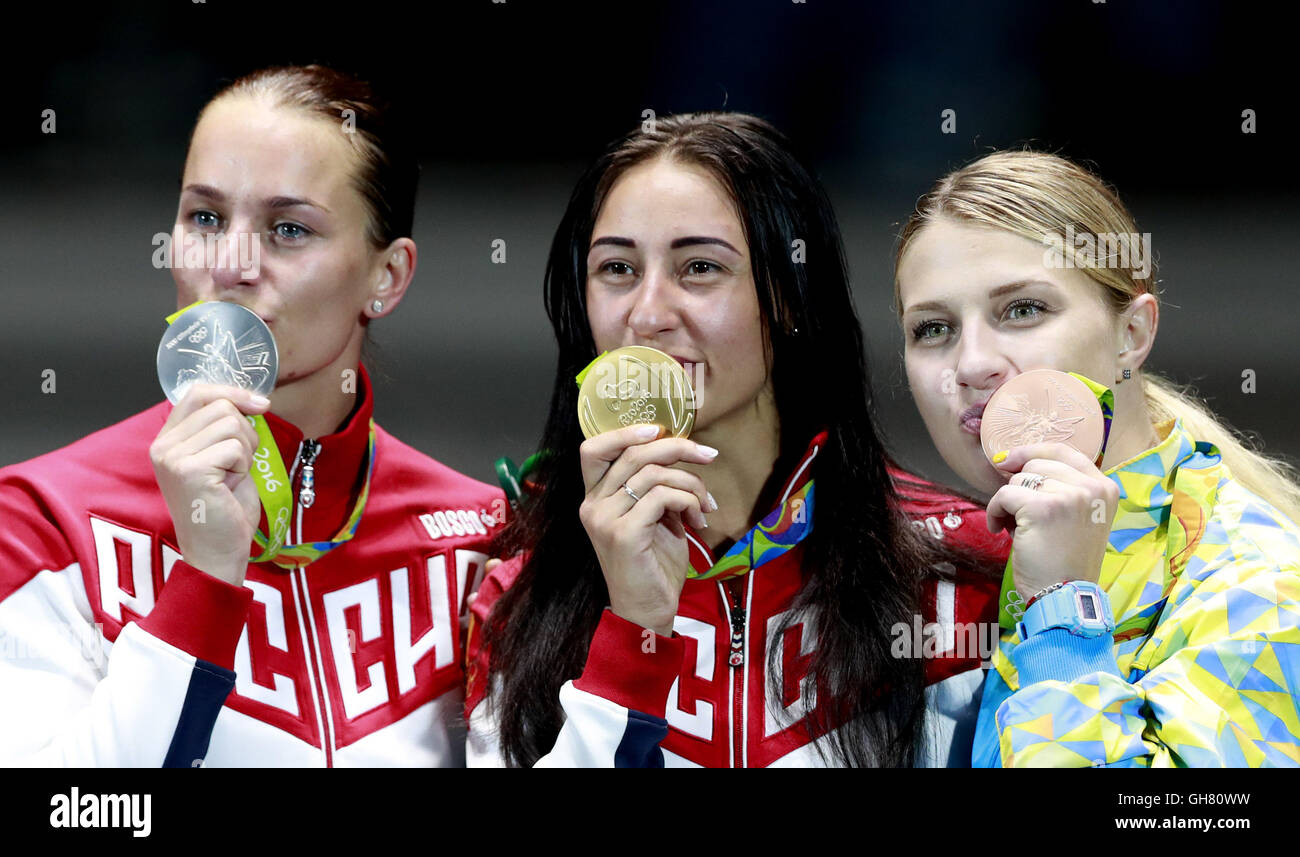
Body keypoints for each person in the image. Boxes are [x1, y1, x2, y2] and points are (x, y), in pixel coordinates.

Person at [465, 112, 1011, 768]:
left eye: (699, 267)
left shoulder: (959, 571)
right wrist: (633, 629)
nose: (646, 313)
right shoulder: (522, 598)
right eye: (617, 268)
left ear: (787, 295)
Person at [0, 64, 505, 766]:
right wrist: (205, 577)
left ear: (386, 277)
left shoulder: (477, 542)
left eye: (288, 229)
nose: (231, 263)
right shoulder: (44, 521)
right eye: (205, 217)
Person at [894, 149, 1300, 767]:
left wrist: (1062, 609)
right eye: (933, 329)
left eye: (1022, 310)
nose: (972, 364)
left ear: (1130, 336)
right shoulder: (944, 571)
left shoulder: (1262, 588)